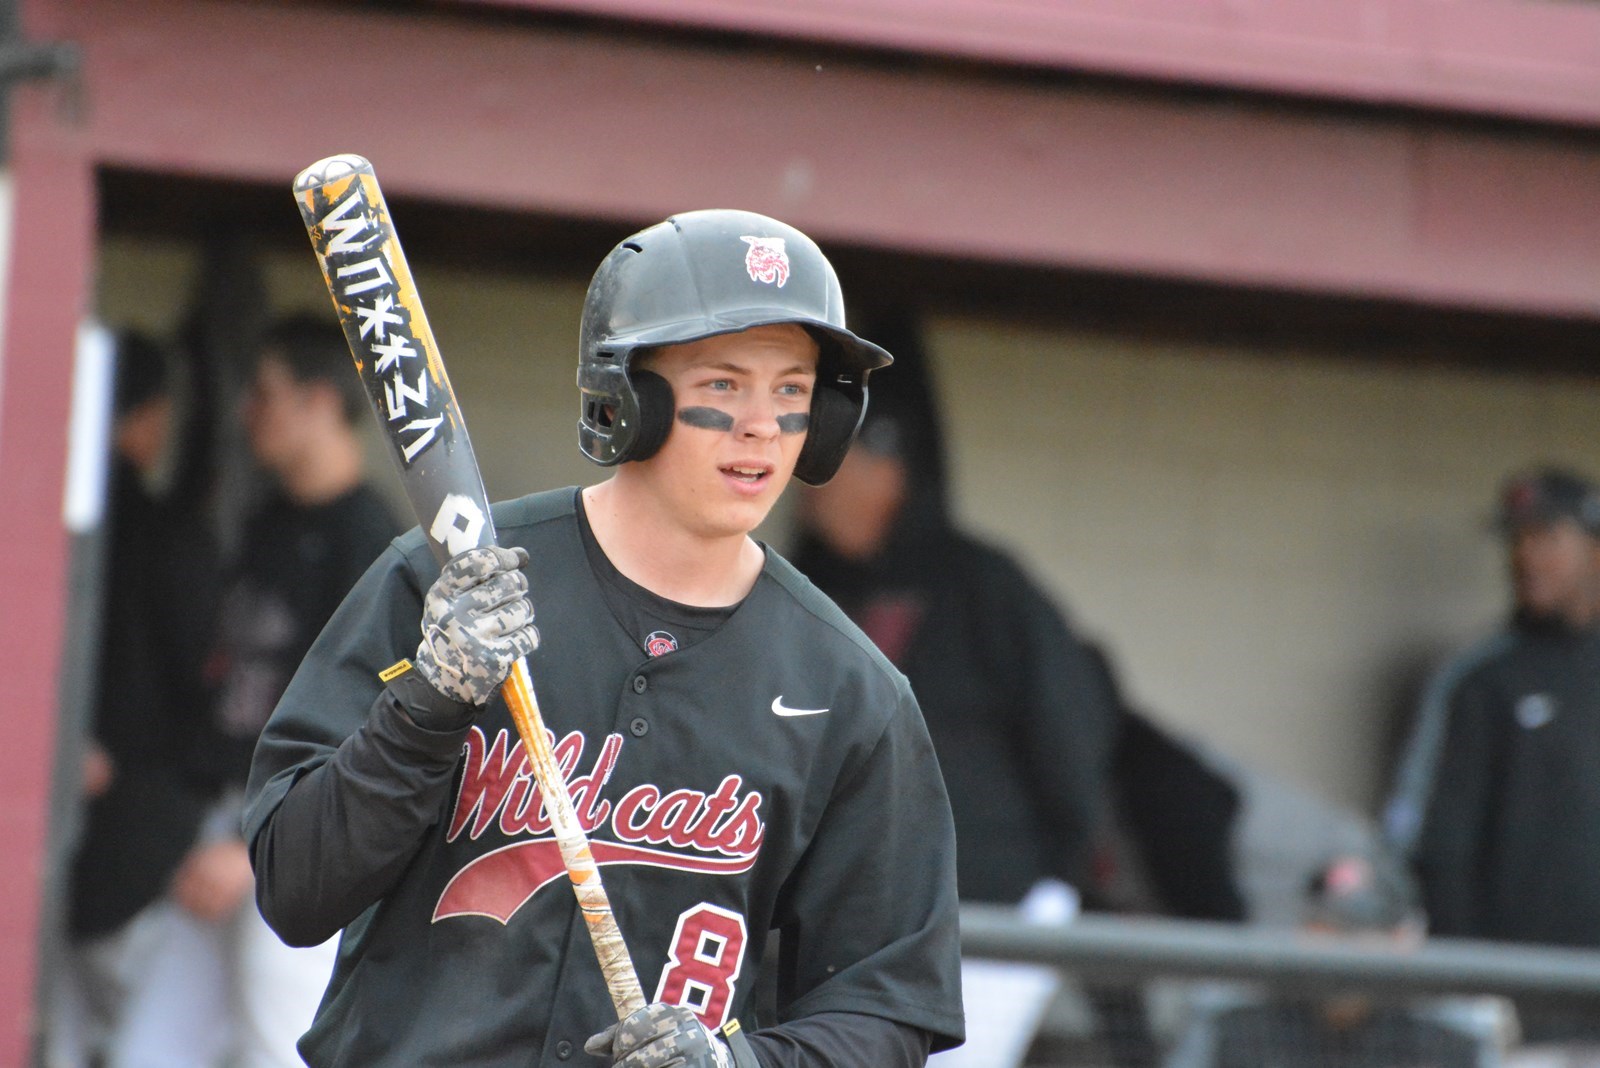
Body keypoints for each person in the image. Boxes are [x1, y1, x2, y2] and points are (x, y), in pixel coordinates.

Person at [242, 210, 965, 1067]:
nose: (762, 425)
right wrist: (428, 700)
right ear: (629, 397)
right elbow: (295, 888)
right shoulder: (447, 581)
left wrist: (741, 1066)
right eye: (723, 385)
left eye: (792, 391)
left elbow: (885, 1010)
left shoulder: (851, 690)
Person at [786, 313, 1121, 1066]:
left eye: (829, 460)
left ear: (892, 466)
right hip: (833, 921)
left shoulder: (983, 586)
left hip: (989, 915)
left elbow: (1071, 734)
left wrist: (1057, 884)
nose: (807, 486)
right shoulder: (791, 590)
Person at [136, 314, 400, 1067]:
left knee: (279, 1048)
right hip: (223, 815)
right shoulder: (269, 518)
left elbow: (376, 731)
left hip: (299, 843)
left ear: (319, 402)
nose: (249, 410)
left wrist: (257, 852)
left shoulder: (373, 547)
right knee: (151, 1047)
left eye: (266, 393)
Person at [48, 330, 223, 1067]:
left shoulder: (45, 521)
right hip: (144, 837)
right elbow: (203, 686)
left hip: (55, 822)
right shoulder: (167, 536)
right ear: (148, 416)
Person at [1400, 467, 1600, 950]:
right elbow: (1429, 841)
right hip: (1514, 983)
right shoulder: (1481, 679)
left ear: (1595, 550)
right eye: (1517, 539)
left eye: (1545, 536)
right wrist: (1469, 973)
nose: (1525, 556)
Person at [1165, 851, 1515, 1068]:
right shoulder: (1236, 1016)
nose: (1341, 950)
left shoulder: (1450, 1035)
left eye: (1360, 934)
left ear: (1403, 940)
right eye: (1326, 930)